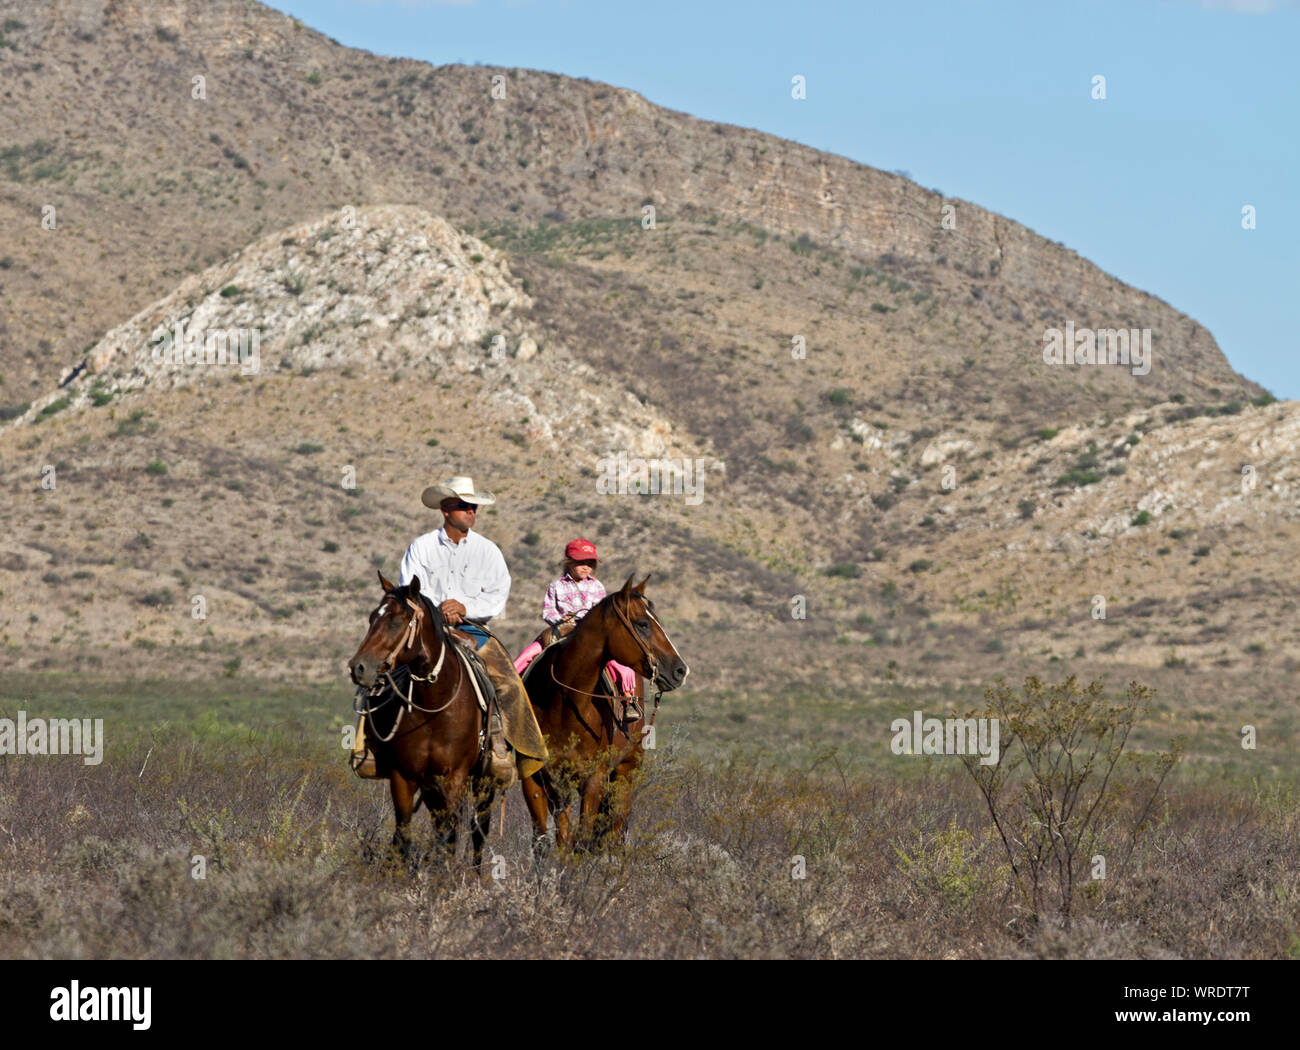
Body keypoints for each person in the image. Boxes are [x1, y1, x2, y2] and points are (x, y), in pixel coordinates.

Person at [397, 475, 547, 781]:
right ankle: (370, 747)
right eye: (465, 506)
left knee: (508, 682)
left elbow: (497, 594)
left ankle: (504, 749)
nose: (472, 512)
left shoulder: (488, 551)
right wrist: (439, 610)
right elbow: (408, 589)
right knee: (382, 671)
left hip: (474, 630)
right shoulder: (421, 547)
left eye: (474, 507)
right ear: (446, 509)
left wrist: (464, 607)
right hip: (427, 631)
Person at [513, 538, 639, 706]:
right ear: (569, 562)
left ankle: (628, 700)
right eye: (581, 562)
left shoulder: (597, 587)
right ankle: (513, 693)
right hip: (561, 632)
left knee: (622, 667)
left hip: (590, 636)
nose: (586, 567)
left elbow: (601, 614)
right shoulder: (556, 586)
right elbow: (548, 611)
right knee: (526, 656)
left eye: (590, 563)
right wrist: (559, 620)